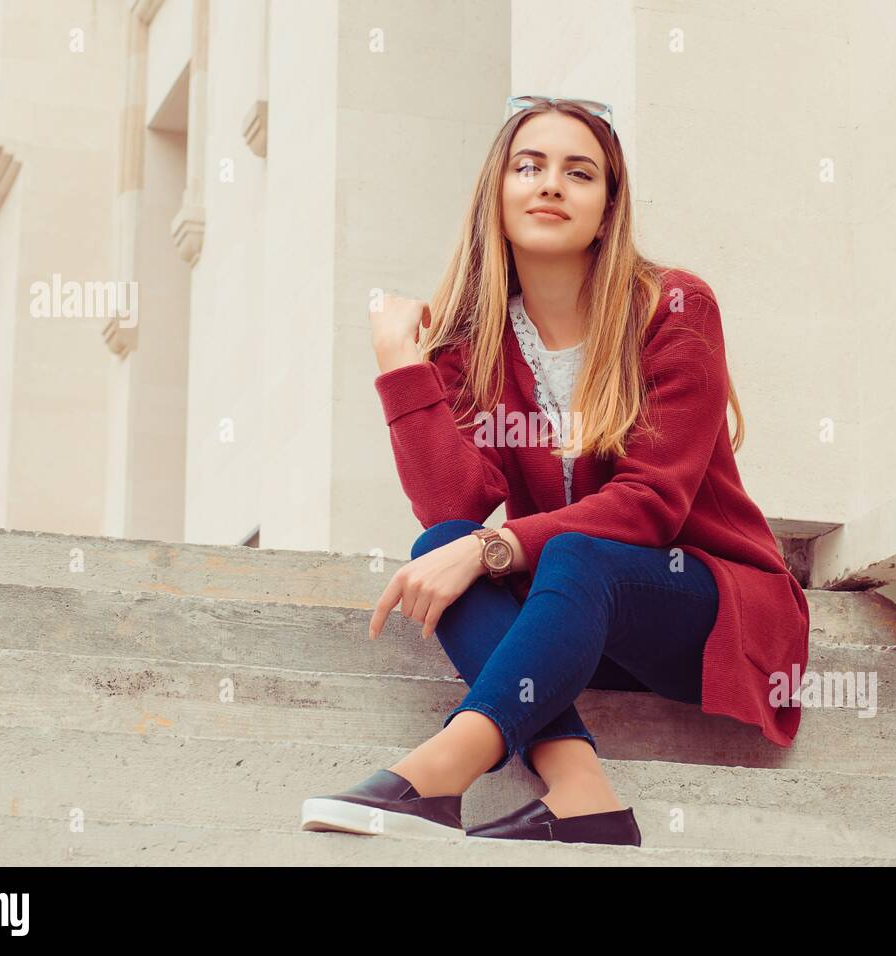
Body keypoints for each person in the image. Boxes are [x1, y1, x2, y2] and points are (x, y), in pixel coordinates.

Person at [300, 95, 810, 847]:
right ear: (496, 194)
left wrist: (490, 548)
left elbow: (649, 507)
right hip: (574, 623)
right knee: (440, 542)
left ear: (607, 210)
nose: (549, 185)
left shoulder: (672, 307)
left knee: (558, 552)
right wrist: (402, 368)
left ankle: (441, 770)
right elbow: (456, 507)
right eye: (528, 166)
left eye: (580, 173)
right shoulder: (474, 346)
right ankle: (582, 795)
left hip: (707, 608)